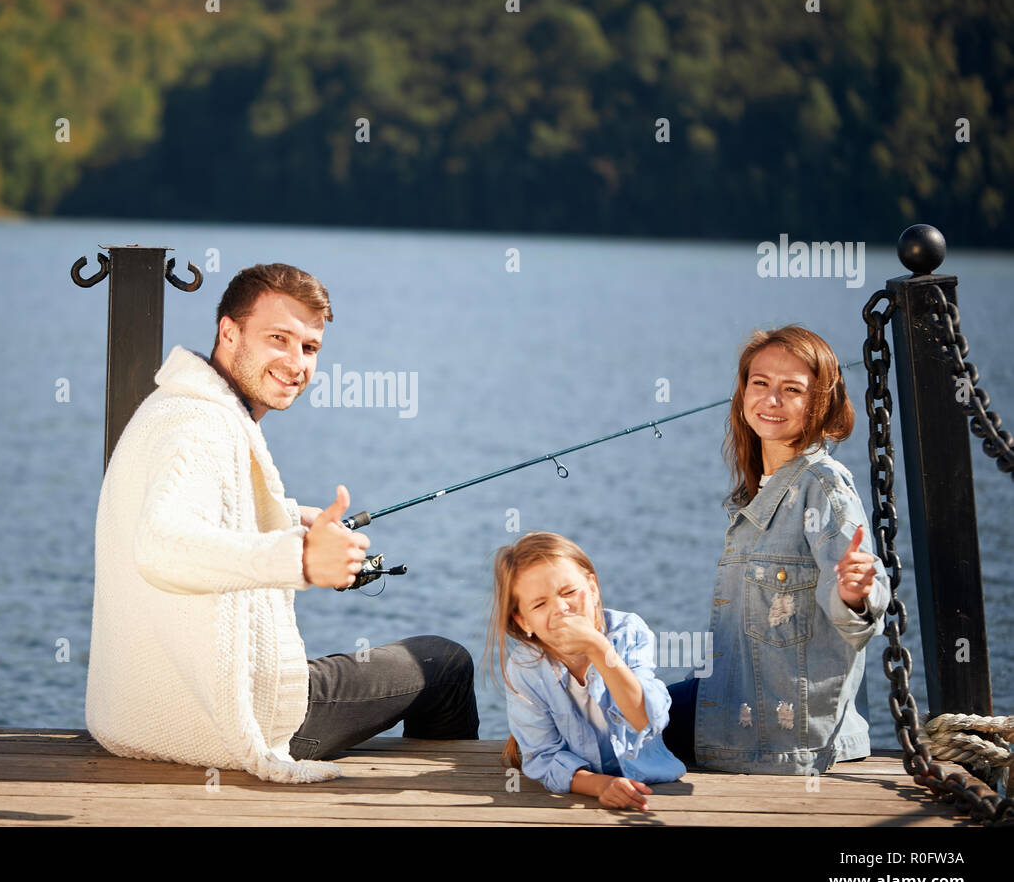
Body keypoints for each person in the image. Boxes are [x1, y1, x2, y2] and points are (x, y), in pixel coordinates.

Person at [84, 263, 478, 784]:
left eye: (309, 348)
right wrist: (300, 559)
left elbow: (205, 510)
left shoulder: (179, 405)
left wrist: (291, 516)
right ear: (229, 332)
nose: (295, 364)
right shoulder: (203, 428)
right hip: (212, 723)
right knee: (445, 664)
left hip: (137, 710)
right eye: (278, 339)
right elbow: (161, 546)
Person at [662, 325, 890, 775]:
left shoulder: (823, 486)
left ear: (820, 402)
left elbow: (862, 613)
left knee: (607, 721)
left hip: (779, 734)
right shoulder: (763, 488)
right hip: (732, 700)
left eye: (792, 389)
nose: (771, 399)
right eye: (760, 383)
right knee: (609, 704)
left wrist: (855, 592)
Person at [486, 531, 685, 809]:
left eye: (568, 592)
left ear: (592, 589)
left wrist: (598, 648)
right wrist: (600, 785)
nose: (560, 608)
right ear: (523, 621)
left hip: (652, 779)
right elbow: (542, 756)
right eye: (539, 604)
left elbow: (645, 720)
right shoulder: (524, 667)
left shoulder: (627, 632)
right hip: (585, 784)